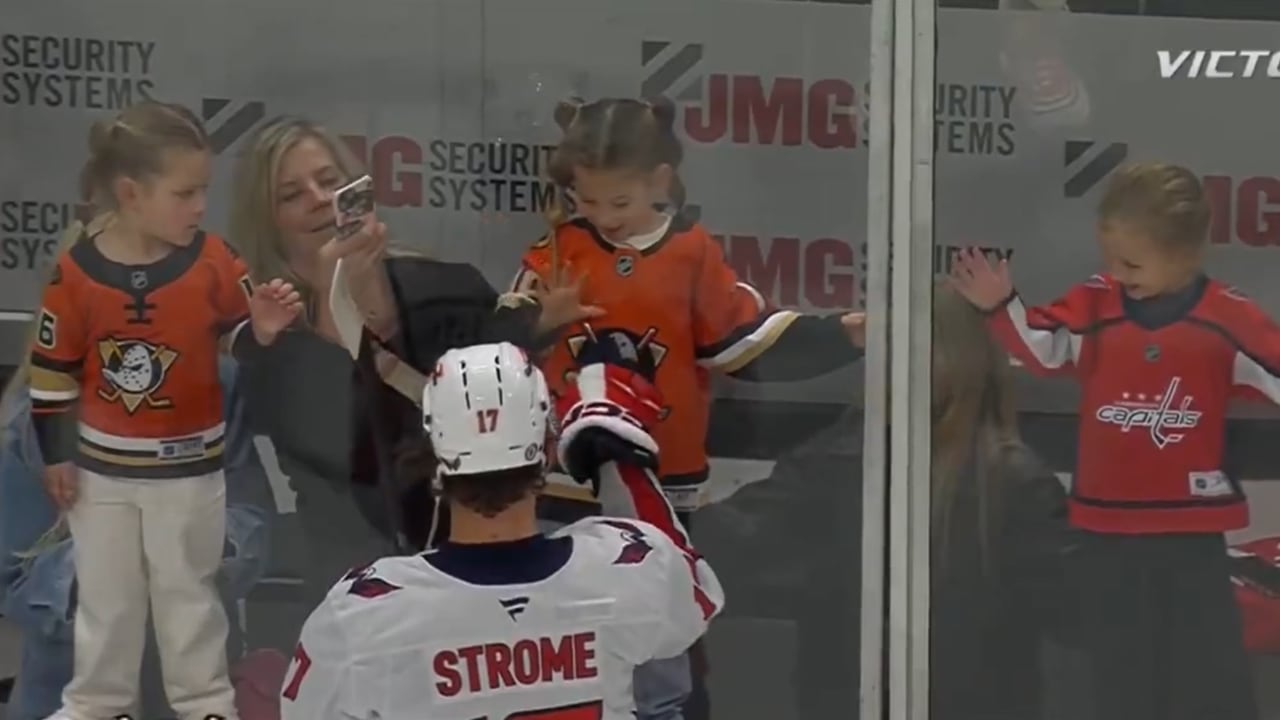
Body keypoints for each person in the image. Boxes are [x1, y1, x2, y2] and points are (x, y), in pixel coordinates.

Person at [511, 96, 864, 720]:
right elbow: (506, 337)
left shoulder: (691, 255)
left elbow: (740, 344)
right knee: (564, 644)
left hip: (659, 487)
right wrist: (540, 322)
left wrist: (840, 334)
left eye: (618, 203)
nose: (602, 218)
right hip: (563, 483)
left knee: (659, 647)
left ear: (660, 182)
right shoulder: (558, 249)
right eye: (588, 202)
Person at [951, 161, 1280, 720]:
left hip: (1192, 537)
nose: (1117, 272)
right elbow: (1042, 350)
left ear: (1185, 254)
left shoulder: (1229, 318)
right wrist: (998, 305)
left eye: (1131, 262)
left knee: (1209, 679)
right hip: (1104, 533)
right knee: (1118, 680)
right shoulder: (1095, 305)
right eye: (1110, 258)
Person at [227, 116, 597, 610]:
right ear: (267, 221)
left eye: (330, 180)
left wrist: (534, 327)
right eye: (291, 194)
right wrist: (335, 297)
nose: (318, 198)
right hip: (356, 584)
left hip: (477, 560)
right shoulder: (268, 342)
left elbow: (500, 408)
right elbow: (341, 457)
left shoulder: (444, 287)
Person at [29, 101, 301, 720]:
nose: (200, 207)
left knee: (189, 599)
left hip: (191, 471)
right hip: (101, 475)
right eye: (185, 193)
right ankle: (98, 705)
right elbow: (52, 373)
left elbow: (238, 341)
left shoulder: (214, 260)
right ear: (131, 193)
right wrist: (56, 455)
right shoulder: (75, 274)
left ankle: (205, 704)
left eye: (203, 191)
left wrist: (259, 328)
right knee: (108, 600)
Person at [279, 341, 722, 720]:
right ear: (549, 450)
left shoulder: (363, 612)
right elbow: (694, 587)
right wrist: (615, 448)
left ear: (435, 455)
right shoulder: (628, 567)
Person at [696, 285, 1077, 719]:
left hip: (855, 699)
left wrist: (638, 535)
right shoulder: (1017, 478)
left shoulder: (844, 458)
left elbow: (736, 545)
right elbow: (1076, 614)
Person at [0, 345, 274, 720]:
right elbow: (14, 580)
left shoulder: (216, 386)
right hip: (65, 689)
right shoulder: (35, 416)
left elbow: (252, 529)